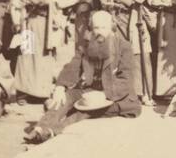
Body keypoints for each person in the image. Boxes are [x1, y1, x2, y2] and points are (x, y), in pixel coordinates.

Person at [27, 10, 140, 144]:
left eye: (104, 28)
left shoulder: (124, 47)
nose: (100, 32)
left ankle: (53, 131)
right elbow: (74, 66)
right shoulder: (87, 45)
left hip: (117, 96)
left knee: (88, 109)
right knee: (65, 98)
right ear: (91, 28)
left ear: (112, 28)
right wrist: (60, 87)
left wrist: (105, 94)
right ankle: (41, 127)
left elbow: (126, 80)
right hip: (91, 90)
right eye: (96, 28)